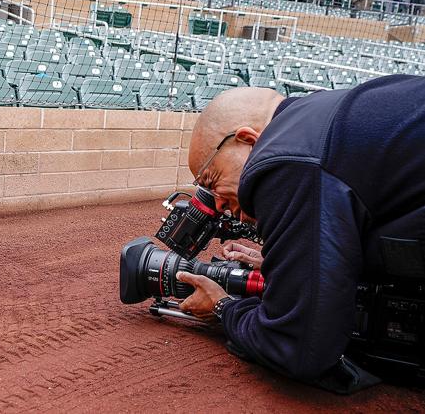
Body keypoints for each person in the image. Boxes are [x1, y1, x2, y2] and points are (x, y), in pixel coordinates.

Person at [174, 78, 425, 390]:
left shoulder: (285, 157)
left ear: (248, 140)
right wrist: (291, 261)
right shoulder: (316, 119)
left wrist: (223, 308)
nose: (219, 204)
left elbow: (298, 346)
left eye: (211, 181)